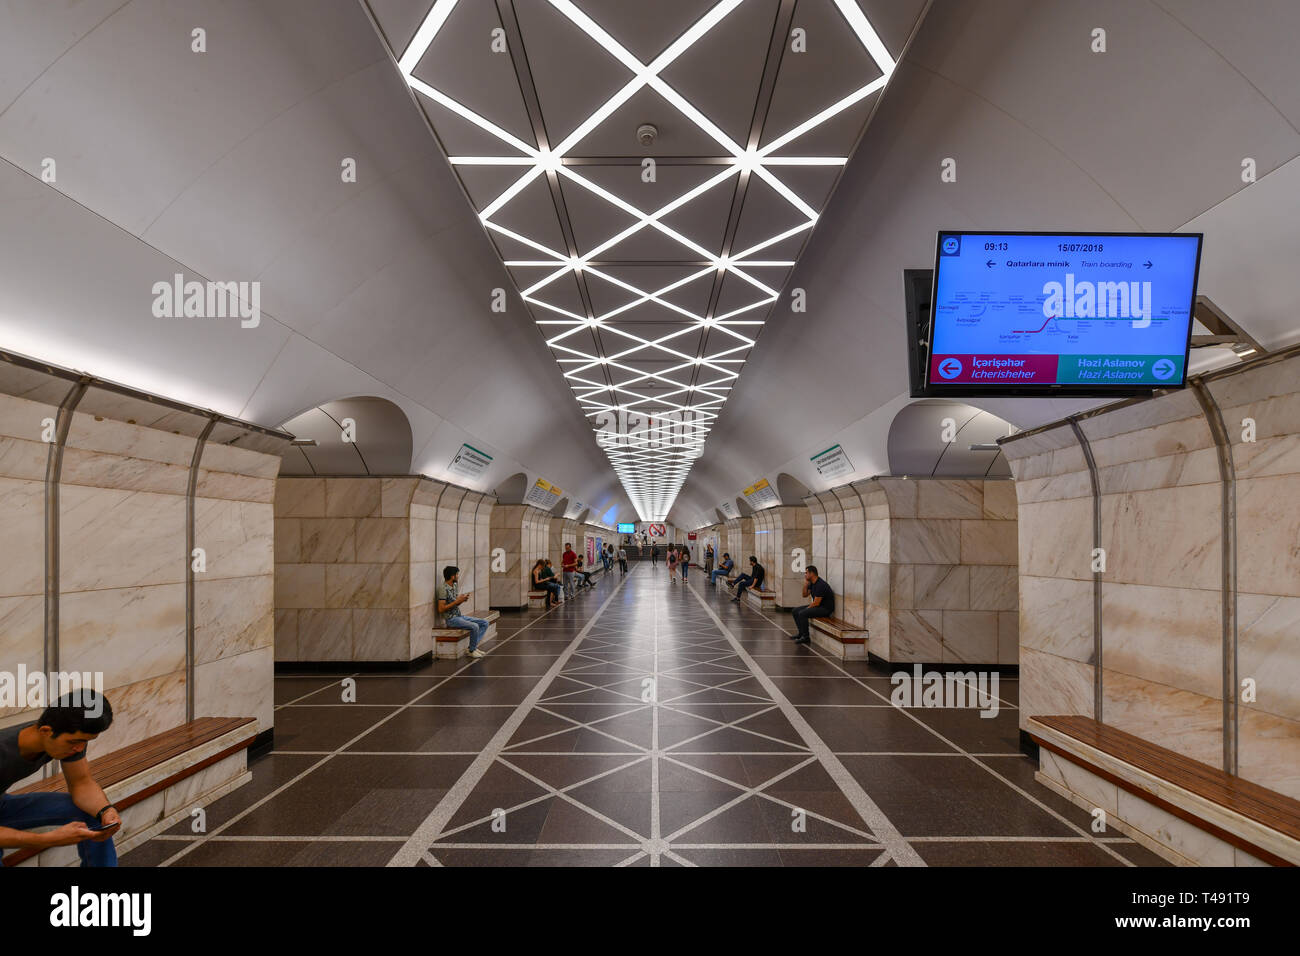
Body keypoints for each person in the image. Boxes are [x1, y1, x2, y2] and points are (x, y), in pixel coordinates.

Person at [0, 690, 120, 866]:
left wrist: (105, 810)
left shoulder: (67, 738)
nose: (80, 748)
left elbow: (81, 783)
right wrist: (47, 839)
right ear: (46, 731)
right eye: (74, 742)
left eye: (86, 741)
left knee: (91, 813)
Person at [438, 565, 490, 659]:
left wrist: (461, 600)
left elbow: (454, 604)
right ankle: (471, 651)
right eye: (457, 574)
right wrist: (457, 601)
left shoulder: (454, 586)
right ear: (452, 576)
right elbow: (441, 609)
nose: (458, 576)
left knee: (485, 623)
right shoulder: (443, 589)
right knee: (474, 626)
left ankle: (472, 647)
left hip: (459, 616)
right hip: (451, 619)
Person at [790, 565, 835, 645]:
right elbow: (804, 595)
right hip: (818, 606)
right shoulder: (812, 583)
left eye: (806, 573)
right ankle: (801, 633)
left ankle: (806, 637)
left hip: (825, 609)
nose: (805, 574)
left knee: (802, 613)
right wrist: (805, 584)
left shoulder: (821, 585)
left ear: (812, 574)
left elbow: (816, 603)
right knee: (795, 610)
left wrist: (806, 609)